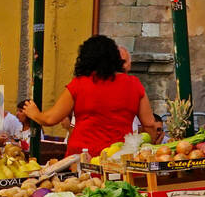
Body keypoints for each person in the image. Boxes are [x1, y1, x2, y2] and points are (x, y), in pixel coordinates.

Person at [22, 35, 162, 157]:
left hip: (82, 156)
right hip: (119, 156)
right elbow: (149, 124)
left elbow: (50, 118)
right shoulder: (133, 84)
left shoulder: (79, 84)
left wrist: (34, 113)